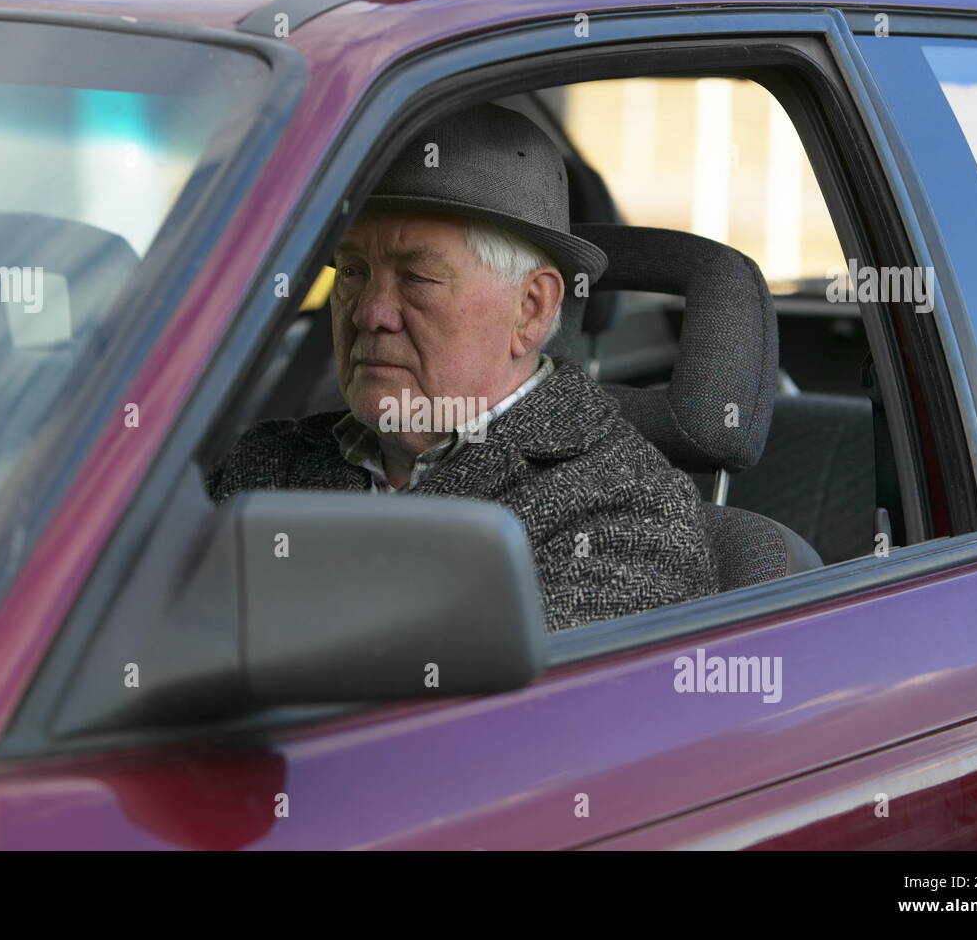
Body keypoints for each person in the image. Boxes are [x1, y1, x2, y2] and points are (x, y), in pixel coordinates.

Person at [206, 103, 718, 631]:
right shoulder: (266, 464)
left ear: (532, 308)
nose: (368, 312)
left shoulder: (623, 515)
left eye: (417, 278)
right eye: (354, 271)